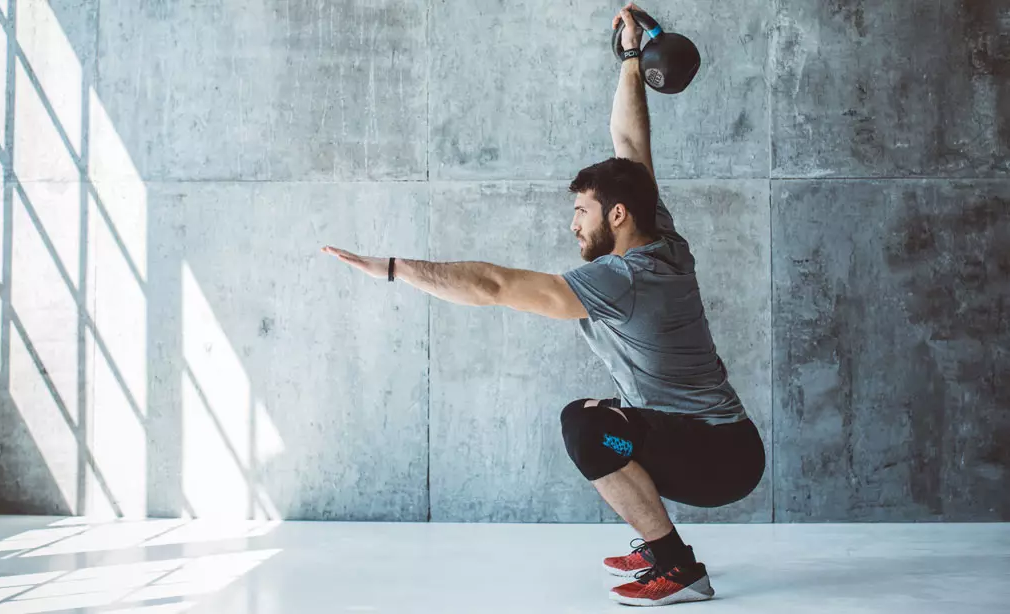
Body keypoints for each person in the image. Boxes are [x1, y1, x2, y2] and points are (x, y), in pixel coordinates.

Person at [322, 3, 765, 607]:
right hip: (723, 444)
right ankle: (656, 543)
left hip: (719, 456)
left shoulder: (624, 277)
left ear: (616, 215)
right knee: (594, 417)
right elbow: (631, 144)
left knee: (587, 429)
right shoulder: (659, 235)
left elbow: (496, 286)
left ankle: (678, 568)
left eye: (580, 213)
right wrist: (631, 56)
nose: (573, 226)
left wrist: (395, 269)